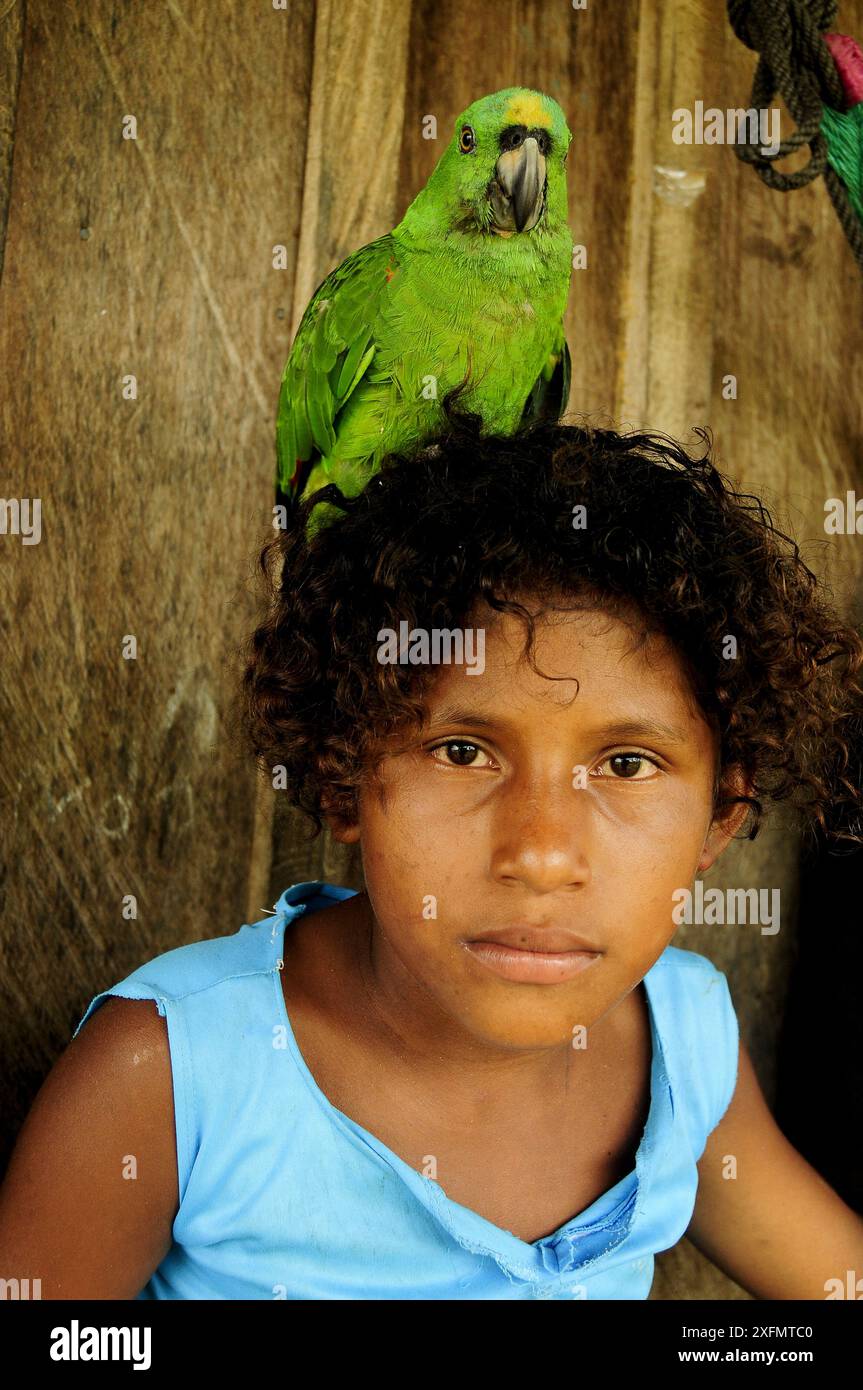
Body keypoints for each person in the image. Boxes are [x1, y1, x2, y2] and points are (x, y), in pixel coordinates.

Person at [2, 397, 862, 1299]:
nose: (539, 854)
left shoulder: (684, 1045)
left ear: (718, 821)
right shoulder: (173, 1074)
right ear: (342, 781)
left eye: (625, 763)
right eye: (462, 752)